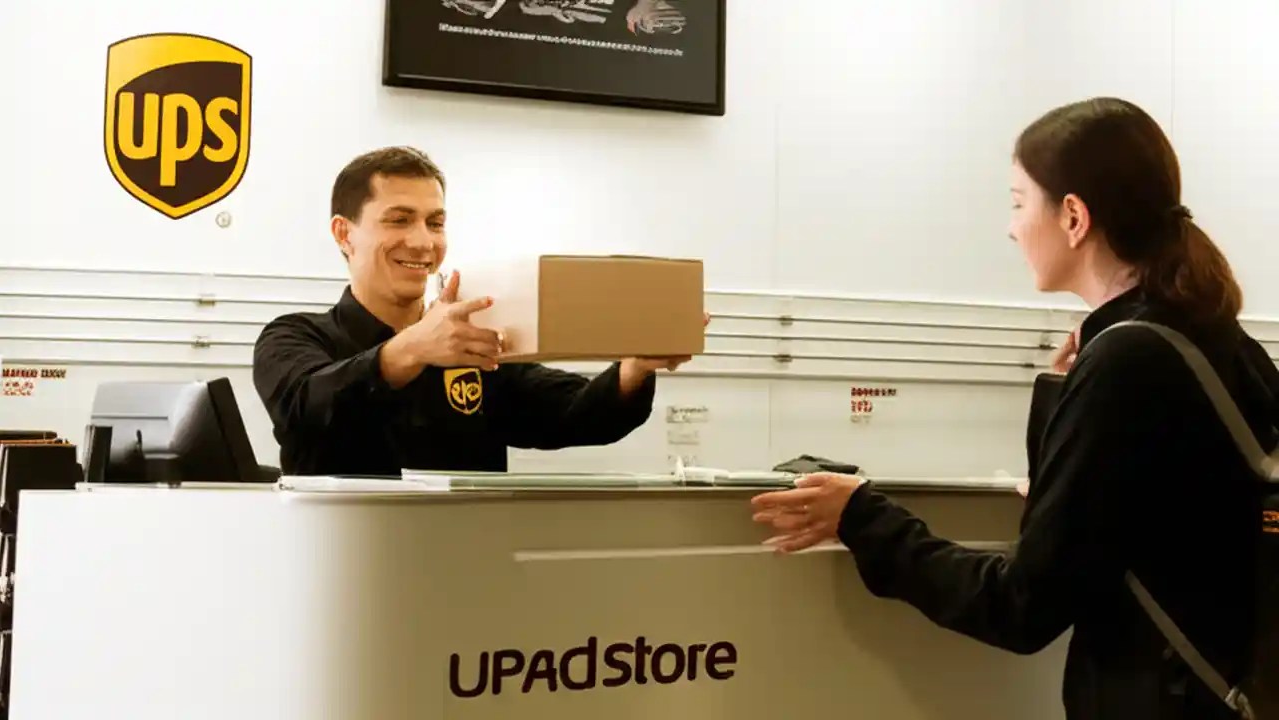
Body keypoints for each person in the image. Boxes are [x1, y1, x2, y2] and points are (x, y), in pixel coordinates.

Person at [750, 98, 1278, 719]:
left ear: (1074, 216)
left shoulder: (1128, 359)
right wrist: (1065, 392)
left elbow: (1021, 606)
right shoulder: (1216, 337)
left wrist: (862, 517)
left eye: (1019, 202)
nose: (1011, 227)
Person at [253, 146, 700, 477]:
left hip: (470, 560)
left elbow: (574, 414)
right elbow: (308, 408)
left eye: (435, 223)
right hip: (345, 565)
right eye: (399, 219)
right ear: (343, 234)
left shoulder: (473, 343)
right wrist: (414, 348)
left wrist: (635, 367)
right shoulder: (293, 337)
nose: (424, 242)